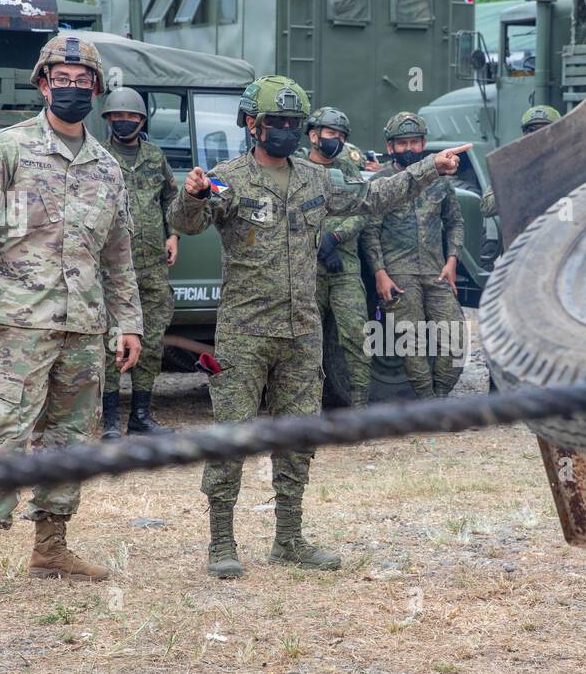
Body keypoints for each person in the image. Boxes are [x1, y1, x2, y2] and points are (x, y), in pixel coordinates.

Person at [168, 75, 471, 579]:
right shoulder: (228, 177)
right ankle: (221, 542)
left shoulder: (315, 179)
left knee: (299, 435)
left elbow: (374, 197)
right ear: (252, 124)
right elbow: (190, 223)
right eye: (276, 123)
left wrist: (428, 169)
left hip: (302, 329)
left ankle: (289, 538)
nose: (285, 131)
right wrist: (193, 194)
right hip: (245, 331)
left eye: (292, 124)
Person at [0, 33, 144, 608]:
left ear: (97, 90)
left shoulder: (107, 169)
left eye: (84, 83)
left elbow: (119, 255)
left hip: (83, 327)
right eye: (63, 79)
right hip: (17, 325)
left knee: (69, 441)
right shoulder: (6, 149)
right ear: (43, 83)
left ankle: (50, 547)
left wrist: (128, 322)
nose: (73, 89)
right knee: (4, 435)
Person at [362, 111, 466, 399]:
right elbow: (370, 232)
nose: (409, 149)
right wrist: (380, 274)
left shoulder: (441, 180)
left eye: (415, 142)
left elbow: (455, 221)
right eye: (402, 143)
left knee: (455, 335)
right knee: (413, 341)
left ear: (424, 143)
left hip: (437, 271)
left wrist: (452, 260)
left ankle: (439, 397)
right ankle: (427, 404)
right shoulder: (381, 182)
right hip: (399, 273)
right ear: (390, 147)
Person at [98, 86, 178, 439]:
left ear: (142, 120)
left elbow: (171, 198)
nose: (124, 122)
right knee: (113, 341)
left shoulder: (155, 157)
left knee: (153, 339)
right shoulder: (98, 157)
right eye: (117, 116)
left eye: (131, 117)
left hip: (153, 268)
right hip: (112, 269)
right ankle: (111, 421)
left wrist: (173, 233)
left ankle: (141, 416)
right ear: (108, 119)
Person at [298, 106, 372, 407]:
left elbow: (363, 211)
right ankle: (307, 408)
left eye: (341, 136)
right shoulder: (297, 168)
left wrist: (335, 238)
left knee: (356, 336)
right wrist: (320, 245)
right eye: (331, 134)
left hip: (345, 268)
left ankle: (360, 408)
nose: (336, 140)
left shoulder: (349, 170)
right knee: (305, 341)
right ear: (314, 135)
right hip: (306, 269)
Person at [480, 105, 561, 220]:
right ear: (524, 134)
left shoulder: (569, 157)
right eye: (531, 130)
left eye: (545, 129)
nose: (537, 134)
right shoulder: (510, 164)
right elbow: (486, 207)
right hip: (524, 232)